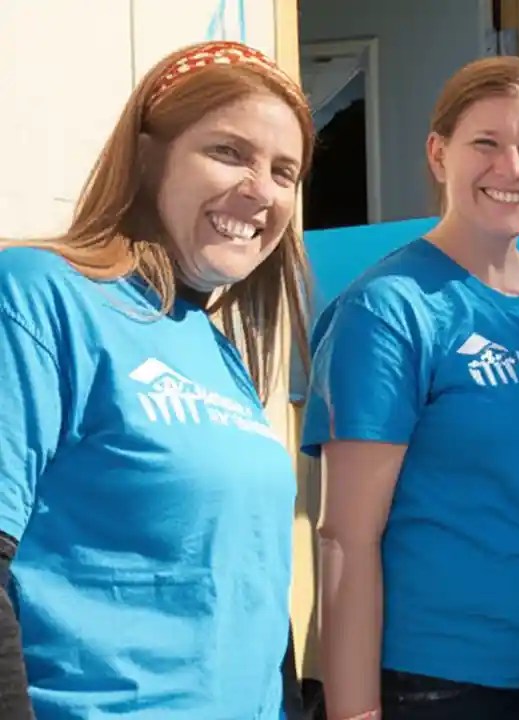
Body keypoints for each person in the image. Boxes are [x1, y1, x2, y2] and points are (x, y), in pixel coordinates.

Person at [0, 40, 313, 718]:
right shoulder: (39, 296)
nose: (260, 189)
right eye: (228, 152)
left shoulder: (213, 346)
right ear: (147, 158)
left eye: (284, 170)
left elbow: (247, 582)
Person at [301, 56, 519, 720]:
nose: (511, 168)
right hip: (432, 681)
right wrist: (355, 712)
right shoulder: (389, 310)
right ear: (439, 155)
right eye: (485, 144)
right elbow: (345, 537)